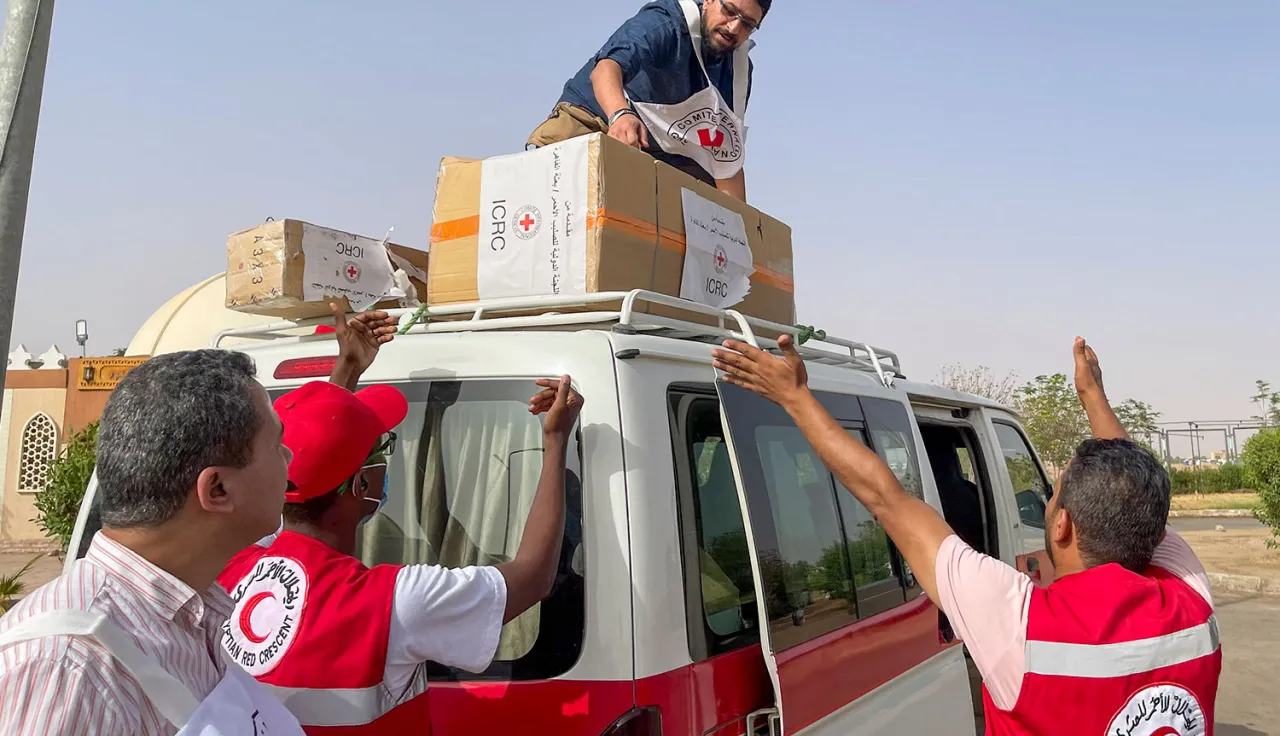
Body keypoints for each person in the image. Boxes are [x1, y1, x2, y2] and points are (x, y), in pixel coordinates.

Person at [711, 336, 1220, 735]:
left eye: (1054, 493)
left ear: (1062, 525)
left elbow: (887, 496)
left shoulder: (1020, 625)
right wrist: (1093, 396)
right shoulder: (1192, 602)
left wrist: (795, 398)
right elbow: (1132, 493)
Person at [216, 305, 584, 733]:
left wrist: (348, 370)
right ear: (360, 487)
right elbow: (534, 576)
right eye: (382, 449)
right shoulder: (394, 602)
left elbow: (307, 461)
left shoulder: (230, 568)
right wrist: (556, 442)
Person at [0, 350, 303, 735]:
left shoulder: (186, 616)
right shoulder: (70, 669)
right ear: (218, 488)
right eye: (276, 445)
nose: (289, 456)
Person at [528, 0, 770, 202]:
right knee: (556, 201)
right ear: (708, 1)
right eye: (728, 10)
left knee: (710, 214)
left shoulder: (738, 73)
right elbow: (605, 70)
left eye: (748, 23)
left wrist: (740, 236)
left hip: (662, 154)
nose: (733, 27)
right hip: (598, 120)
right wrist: (620, 114)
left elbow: (725, 157)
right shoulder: (666, 22)